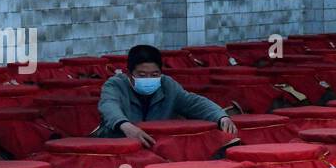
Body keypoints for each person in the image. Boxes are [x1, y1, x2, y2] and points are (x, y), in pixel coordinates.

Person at [97, 45, 238, 146]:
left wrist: (221, 116)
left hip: (157, 144)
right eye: (142, 75)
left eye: (154, 74)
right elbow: (109, 106)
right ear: (129, 73)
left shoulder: (167, 85)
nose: (148, 78)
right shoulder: (115, 85)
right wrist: (125, 125)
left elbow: (192, 102)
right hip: (119, 144)